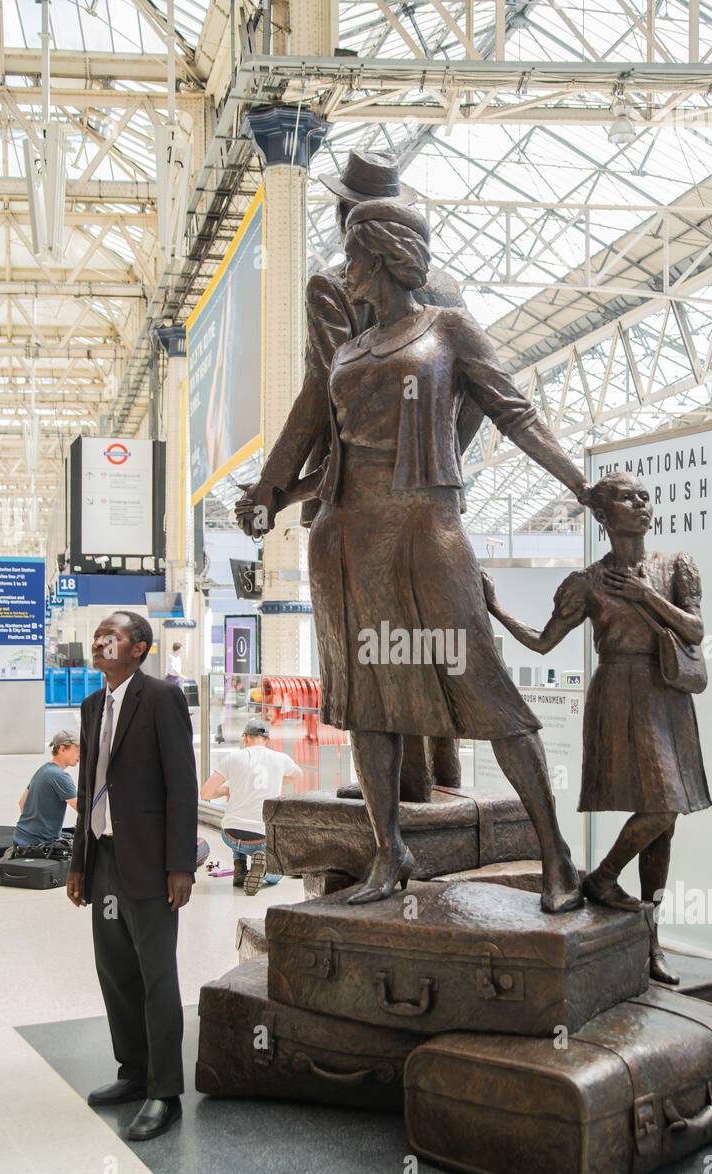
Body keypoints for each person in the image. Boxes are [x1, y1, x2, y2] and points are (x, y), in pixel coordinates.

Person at [255, 198, 590, 913]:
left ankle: (556, 855)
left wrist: (582, 484)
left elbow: (515, 412)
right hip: (345, 536)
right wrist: (268, 495)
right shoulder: (346, 352)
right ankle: (389, 852)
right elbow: (312, 427)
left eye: (352, 255)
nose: (343, 269)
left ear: (380, 257)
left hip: (424, 529)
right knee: (369, 702)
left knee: (489, 691)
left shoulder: (447, 329)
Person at [235, 150, 481, 802]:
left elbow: (322, 397)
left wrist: (271, 485)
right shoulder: (447, 292)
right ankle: (442, 776)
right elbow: (481, 392)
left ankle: (400, 791)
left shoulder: (335, 284)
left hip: (362, 503)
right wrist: (443, 455)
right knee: (431, 634)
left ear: (349, 214)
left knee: (372, 642)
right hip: (436, 505)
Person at [483, 471, 711, 980]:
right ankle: (607, 881)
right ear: (604, 516)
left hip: (667, 692)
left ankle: (647, 935)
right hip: (618, 693)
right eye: (628, 498)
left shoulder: (674, 565)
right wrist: (494, 608)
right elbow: (543, 643)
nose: (642, 504)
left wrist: (644, 594)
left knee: (665, 822)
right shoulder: (586, 582)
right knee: (663, 809)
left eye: (646, 496)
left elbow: (694, 630)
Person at [67, 610, 198, 1142]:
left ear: (140, 648)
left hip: (148, 860)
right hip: (103, 858)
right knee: (116, 971)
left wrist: (180, 864)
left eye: (112, 636)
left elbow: (182, 787)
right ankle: (134, 1072)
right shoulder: (93, 703)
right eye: (98, 635)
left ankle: (164, 1091)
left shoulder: (162, 699)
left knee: (156, 975)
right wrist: (79, 862)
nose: (100, 642)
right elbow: (88, 786)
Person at [200, 719, 301, 893]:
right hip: (261, 839)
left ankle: (240, 868)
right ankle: (262, 872)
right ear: (267, 740)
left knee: (237, 820)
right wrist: (276, 779)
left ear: (245, 738)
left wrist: (226, 791)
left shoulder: (233, 757)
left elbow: (205, 793)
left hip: (230, 835)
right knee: (277, 876)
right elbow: (298, 776)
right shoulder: (280, 758)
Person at [10, 730, 80, 851]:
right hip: (37, 844)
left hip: (20, 838)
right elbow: (83, 808)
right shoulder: (60, 776)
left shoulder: (42, 770)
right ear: (62, 749)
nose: (80, 755)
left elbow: (22, 802)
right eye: (78, 750)